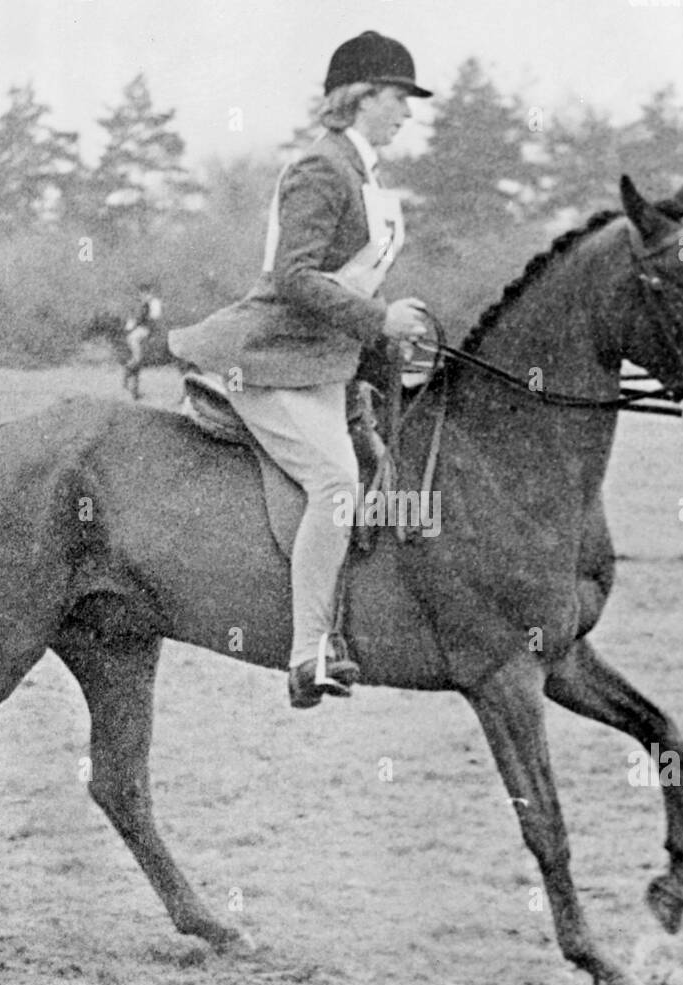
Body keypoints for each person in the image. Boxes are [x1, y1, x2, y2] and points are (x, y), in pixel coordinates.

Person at [169, 31, 432, 709]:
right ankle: (308, 650)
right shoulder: (323, 169)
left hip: (321, 365)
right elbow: (293, 277)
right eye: (399, 97)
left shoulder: (365, 177)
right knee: (337, 483)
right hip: (268, 360)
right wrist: (378, 320)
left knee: (375, 467)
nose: (408, 111)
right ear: (362, 96)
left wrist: (385, 349)